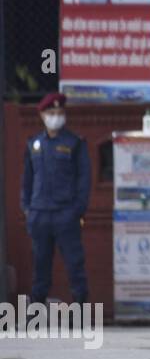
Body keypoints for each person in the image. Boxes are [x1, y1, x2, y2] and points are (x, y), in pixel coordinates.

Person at [21, 92, 91, 307]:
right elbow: (27, 178)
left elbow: (84, 179)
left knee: (74, 264)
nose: (56, 116)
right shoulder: (34, 144)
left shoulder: (74, 143)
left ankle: (79, 308)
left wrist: (77, 210)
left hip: (65, 214)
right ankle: (37, 309)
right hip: (39, 213)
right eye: (51, 113)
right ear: (42, 115)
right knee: (40, 266)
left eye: (60, 112)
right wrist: (27, 208)